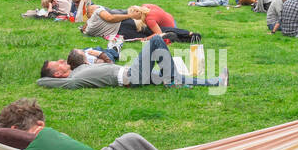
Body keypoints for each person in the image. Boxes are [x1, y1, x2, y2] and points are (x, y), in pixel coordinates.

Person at [38, 34, 224, 89]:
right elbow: (42, 81)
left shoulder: (82, 69)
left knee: (169, 75)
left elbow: (106, 58)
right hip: (130, 76)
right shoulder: (73, 80)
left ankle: (217, 81)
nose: (62, 60)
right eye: (58, 63)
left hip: (131, 73)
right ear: (58, 74)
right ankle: (172, 80)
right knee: (156, 41)